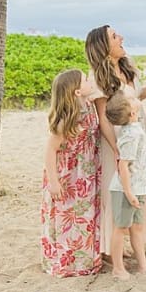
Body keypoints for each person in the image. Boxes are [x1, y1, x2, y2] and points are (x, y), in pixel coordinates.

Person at [84, 25, 146, 262]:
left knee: (143, 184)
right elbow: (103, 117)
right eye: (115, 37)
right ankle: (110, 247)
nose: (121, 38)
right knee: (115, 188)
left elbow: (136, 96)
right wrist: (116, 149)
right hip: (116, 138)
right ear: (103, 46)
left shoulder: (128, 66)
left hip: (138, 131)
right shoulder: (99, 77)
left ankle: (132, 237)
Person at [40, 69, 102, 277]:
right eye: (85, 80)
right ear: (76, 92)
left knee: (85, 217)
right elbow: (50, 151)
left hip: (86, 174)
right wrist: (54, 182)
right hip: (67, 175)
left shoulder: (90, 106)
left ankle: (85, 262)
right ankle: (65, 263)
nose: (89, 81)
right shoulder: (65, 120)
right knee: (66, 217)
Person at [104, 91, 146, 279]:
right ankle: (118, 268)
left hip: (139, 187)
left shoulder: (136, 128)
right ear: (131, 112)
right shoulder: (130, 135)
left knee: (138, 227)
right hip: (125, 189)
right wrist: (129, 192)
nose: (134, 99)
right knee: (121, 228)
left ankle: (142, 266)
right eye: (131, 100)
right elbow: (123, 165)